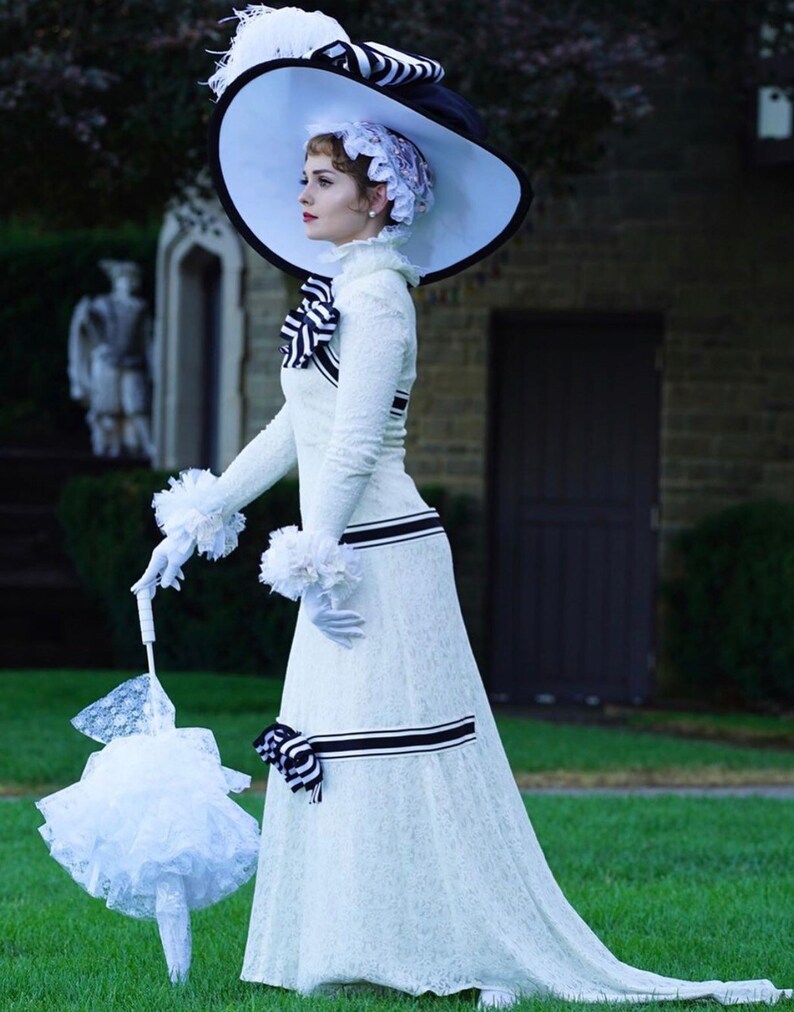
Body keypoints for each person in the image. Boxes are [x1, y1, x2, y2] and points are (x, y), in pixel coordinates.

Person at [133, 7, 792, 1007]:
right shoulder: (333, 294)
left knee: (392, 739)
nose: (302, 194)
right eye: (304, 177)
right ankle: (353, 942)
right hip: (344, 548)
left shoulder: (376, 297)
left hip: (378, 551)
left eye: (323, 180)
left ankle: (443, 945)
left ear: (377, 196)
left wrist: (315, 552)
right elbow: (297, 428)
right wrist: (200, 515)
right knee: (338, 743)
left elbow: (356, 442)